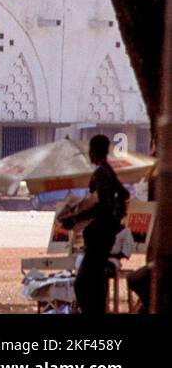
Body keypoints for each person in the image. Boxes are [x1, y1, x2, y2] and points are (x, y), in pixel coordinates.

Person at [60, 135, 130, 315]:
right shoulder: (108, 171)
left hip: (99, 236)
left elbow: (102, 206)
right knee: (95, 283)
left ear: (93, 152)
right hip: (105, 235)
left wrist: (74, 218)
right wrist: (117, 217)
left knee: (83, 285)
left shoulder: (101, 173)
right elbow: (123, 194)